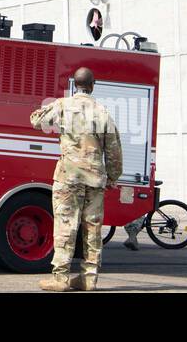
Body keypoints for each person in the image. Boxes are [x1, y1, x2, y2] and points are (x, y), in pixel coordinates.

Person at [30, 67, 123, 291]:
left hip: (68, 177)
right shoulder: (103, 112)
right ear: (92, 86)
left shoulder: (62, 105)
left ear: (75, 85)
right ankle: (89, 279)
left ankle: (60, 279)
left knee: (65, 225)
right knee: (92, 228)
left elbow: (36, 121)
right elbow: (114, 151)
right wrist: (112, 176)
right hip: (95, 179)